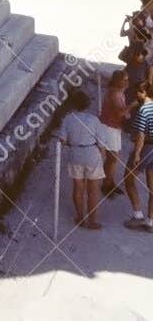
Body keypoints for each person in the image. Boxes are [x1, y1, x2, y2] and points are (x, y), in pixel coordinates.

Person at [58, 89, 108, 230]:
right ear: (87, 104)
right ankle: (93, 220)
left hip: (75, 153)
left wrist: (72, 142)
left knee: (78, 188)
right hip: (92, 153)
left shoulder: (68, 119)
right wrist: (103, 155)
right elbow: (101, 142)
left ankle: (80, 217)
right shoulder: (94, 120)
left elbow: (62, 140)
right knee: (93, 190)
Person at [124, 77, 153, 232]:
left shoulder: (144, 110)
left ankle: (137, 215)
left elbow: (141, 135)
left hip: (146, 148)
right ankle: (151, 221)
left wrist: (137, 154)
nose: (136, 95)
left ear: (145, 93)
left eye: (139, 92)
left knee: (128, 179)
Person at [100, 69, 129, 197]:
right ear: (118, 80)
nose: (127, 82)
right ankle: (106, 184)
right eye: (124, 80)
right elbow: (120, 112)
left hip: (115, 127)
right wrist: (133, 105)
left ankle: (109, 182)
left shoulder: (119, 91)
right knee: (112, 158)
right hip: (109, 127)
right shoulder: (114, 93)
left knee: (113, 158)